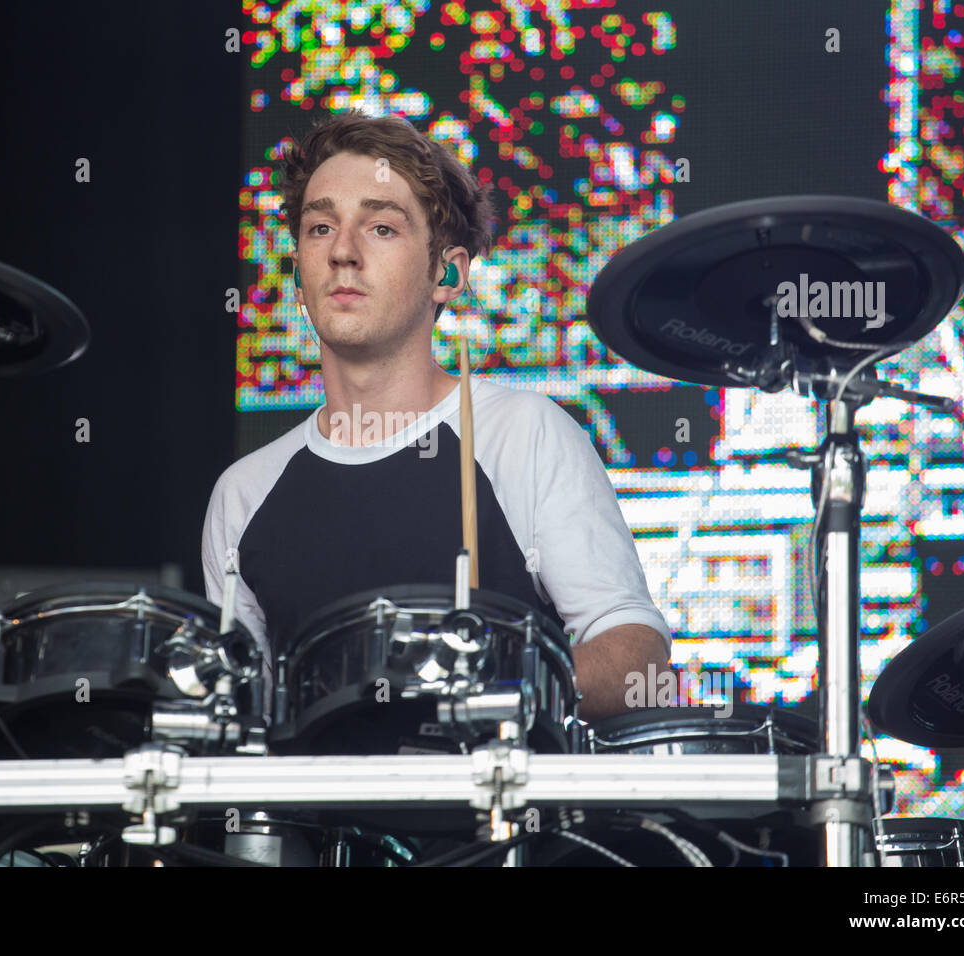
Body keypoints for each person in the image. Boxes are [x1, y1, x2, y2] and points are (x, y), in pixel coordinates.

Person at [203, 109, 671, 728]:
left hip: (500, 819)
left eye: (381, 229)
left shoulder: (523, 434)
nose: (343, 251)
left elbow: (644, 669)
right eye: (319, 227)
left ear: (447, 273)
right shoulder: (243, 494)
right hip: (326, 824)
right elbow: (236, 727)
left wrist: (480, 692)